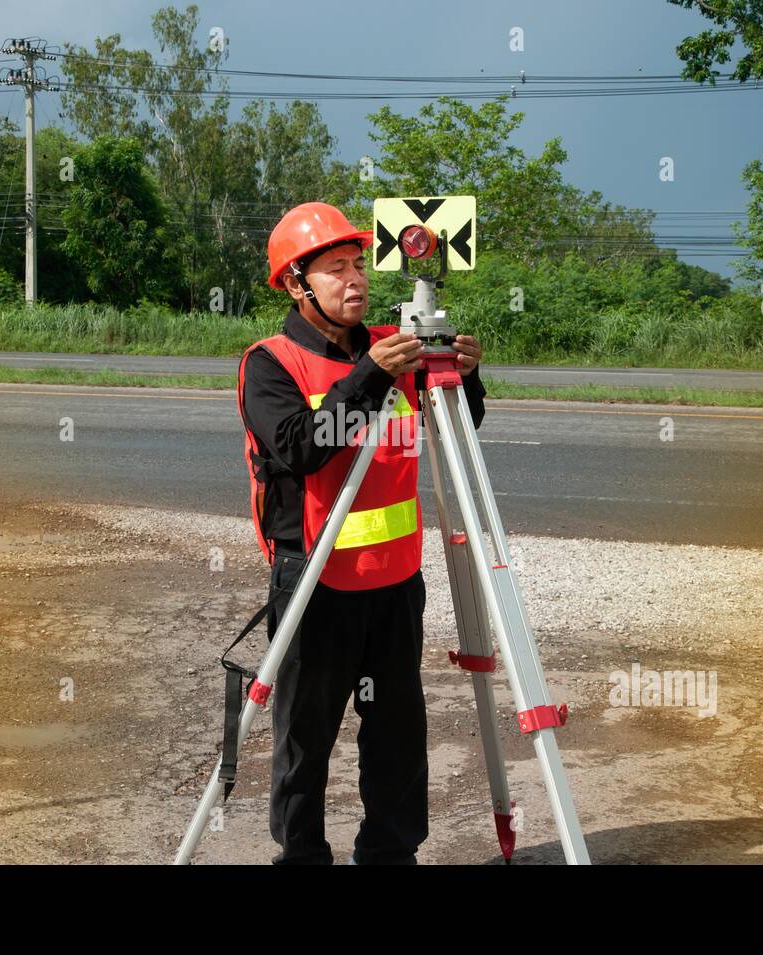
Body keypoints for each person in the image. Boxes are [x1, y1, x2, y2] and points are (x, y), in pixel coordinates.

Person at [235, 201, 486, 865]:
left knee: (398, 735)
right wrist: (372, 372)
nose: (354, 280)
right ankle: (304, 856)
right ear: (296, 283)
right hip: (315, 582)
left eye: (357, 265)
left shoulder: (394, 338)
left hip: (397, 583)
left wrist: (464, 375)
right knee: (304, 741)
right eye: (334, 270)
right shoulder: (272, 362)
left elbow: (457, 428)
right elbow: (302, 446)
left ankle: (389, 853)